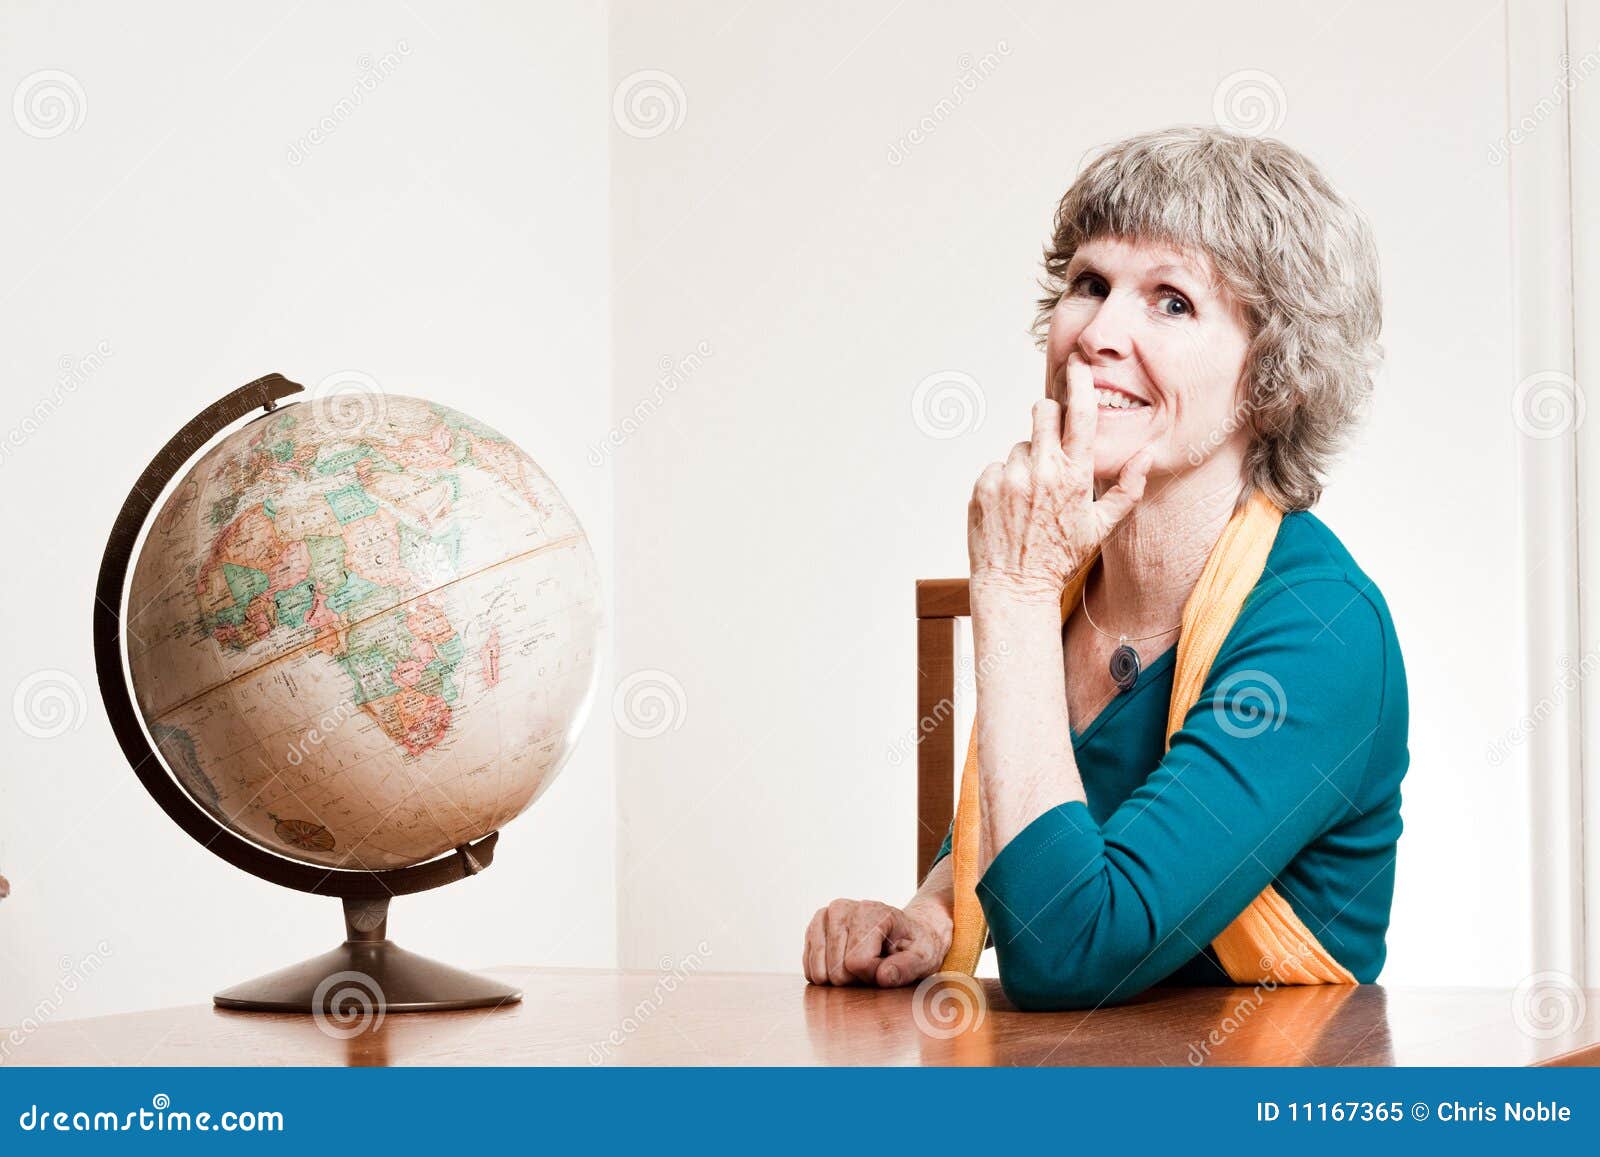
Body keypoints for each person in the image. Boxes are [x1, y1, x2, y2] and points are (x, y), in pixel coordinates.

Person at [803, 125, 1408, 1010]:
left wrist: (1008, 594)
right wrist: (936, 912)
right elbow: (1048, 827)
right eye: (1090, 284)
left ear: (1273, 375)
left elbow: (1072, 949)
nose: (1096, 334)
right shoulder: (1071, 581)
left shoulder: (1324, 631)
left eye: (1171, 301)